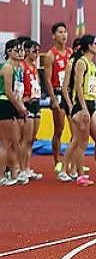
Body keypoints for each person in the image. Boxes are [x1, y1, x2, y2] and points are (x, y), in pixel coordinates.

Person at [65, 35, 96, 186]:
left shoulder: (92, 64)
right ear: (89, 46)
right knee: (82, 142)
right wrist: (83, 108)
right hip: (81, 104)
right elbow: (78, 87)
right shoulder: (81, 63)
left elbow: (91, 87)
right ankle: (79, 175)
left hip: (92, 103)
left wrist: (94, 105)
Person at [43, 22, 71, 180]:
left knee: (76, 129)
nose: (63, 35)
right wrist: (53, 98)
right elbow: (47, 79)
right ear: (54, 35)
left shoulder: (70, 52)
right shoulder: (50, 55)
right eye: (60, 32)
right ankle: (58, 162)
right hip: (58, 93)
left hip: (69, 94)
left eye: (65, 32)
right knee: (59, 129)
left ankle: (72, 162)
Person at [0, 39, 29, 186]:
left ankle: (13, 172)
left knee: (13, 141)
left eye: (21, 50)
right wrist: (20, 108)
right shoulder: (8, 68)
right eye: (17, 50)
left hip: (13, 103)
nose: (21, 53)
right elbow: (8, 92)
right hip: (5, 103)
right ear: (9, 52)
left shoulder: (18, 69)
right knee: (5, 142)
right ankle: (1, 176)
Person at [18, 38, 43, 183]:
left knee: (32, 139)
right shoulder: (22, 67)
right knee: (25, 139)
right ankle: (21, 168)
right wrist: (23, 100)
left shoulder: (34, 67)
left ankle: (27, 167)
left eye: (38, 51)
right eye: (34, 51)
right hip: (26, 103)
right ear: (27, 51)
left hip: (35, 102)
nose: (36, 54)